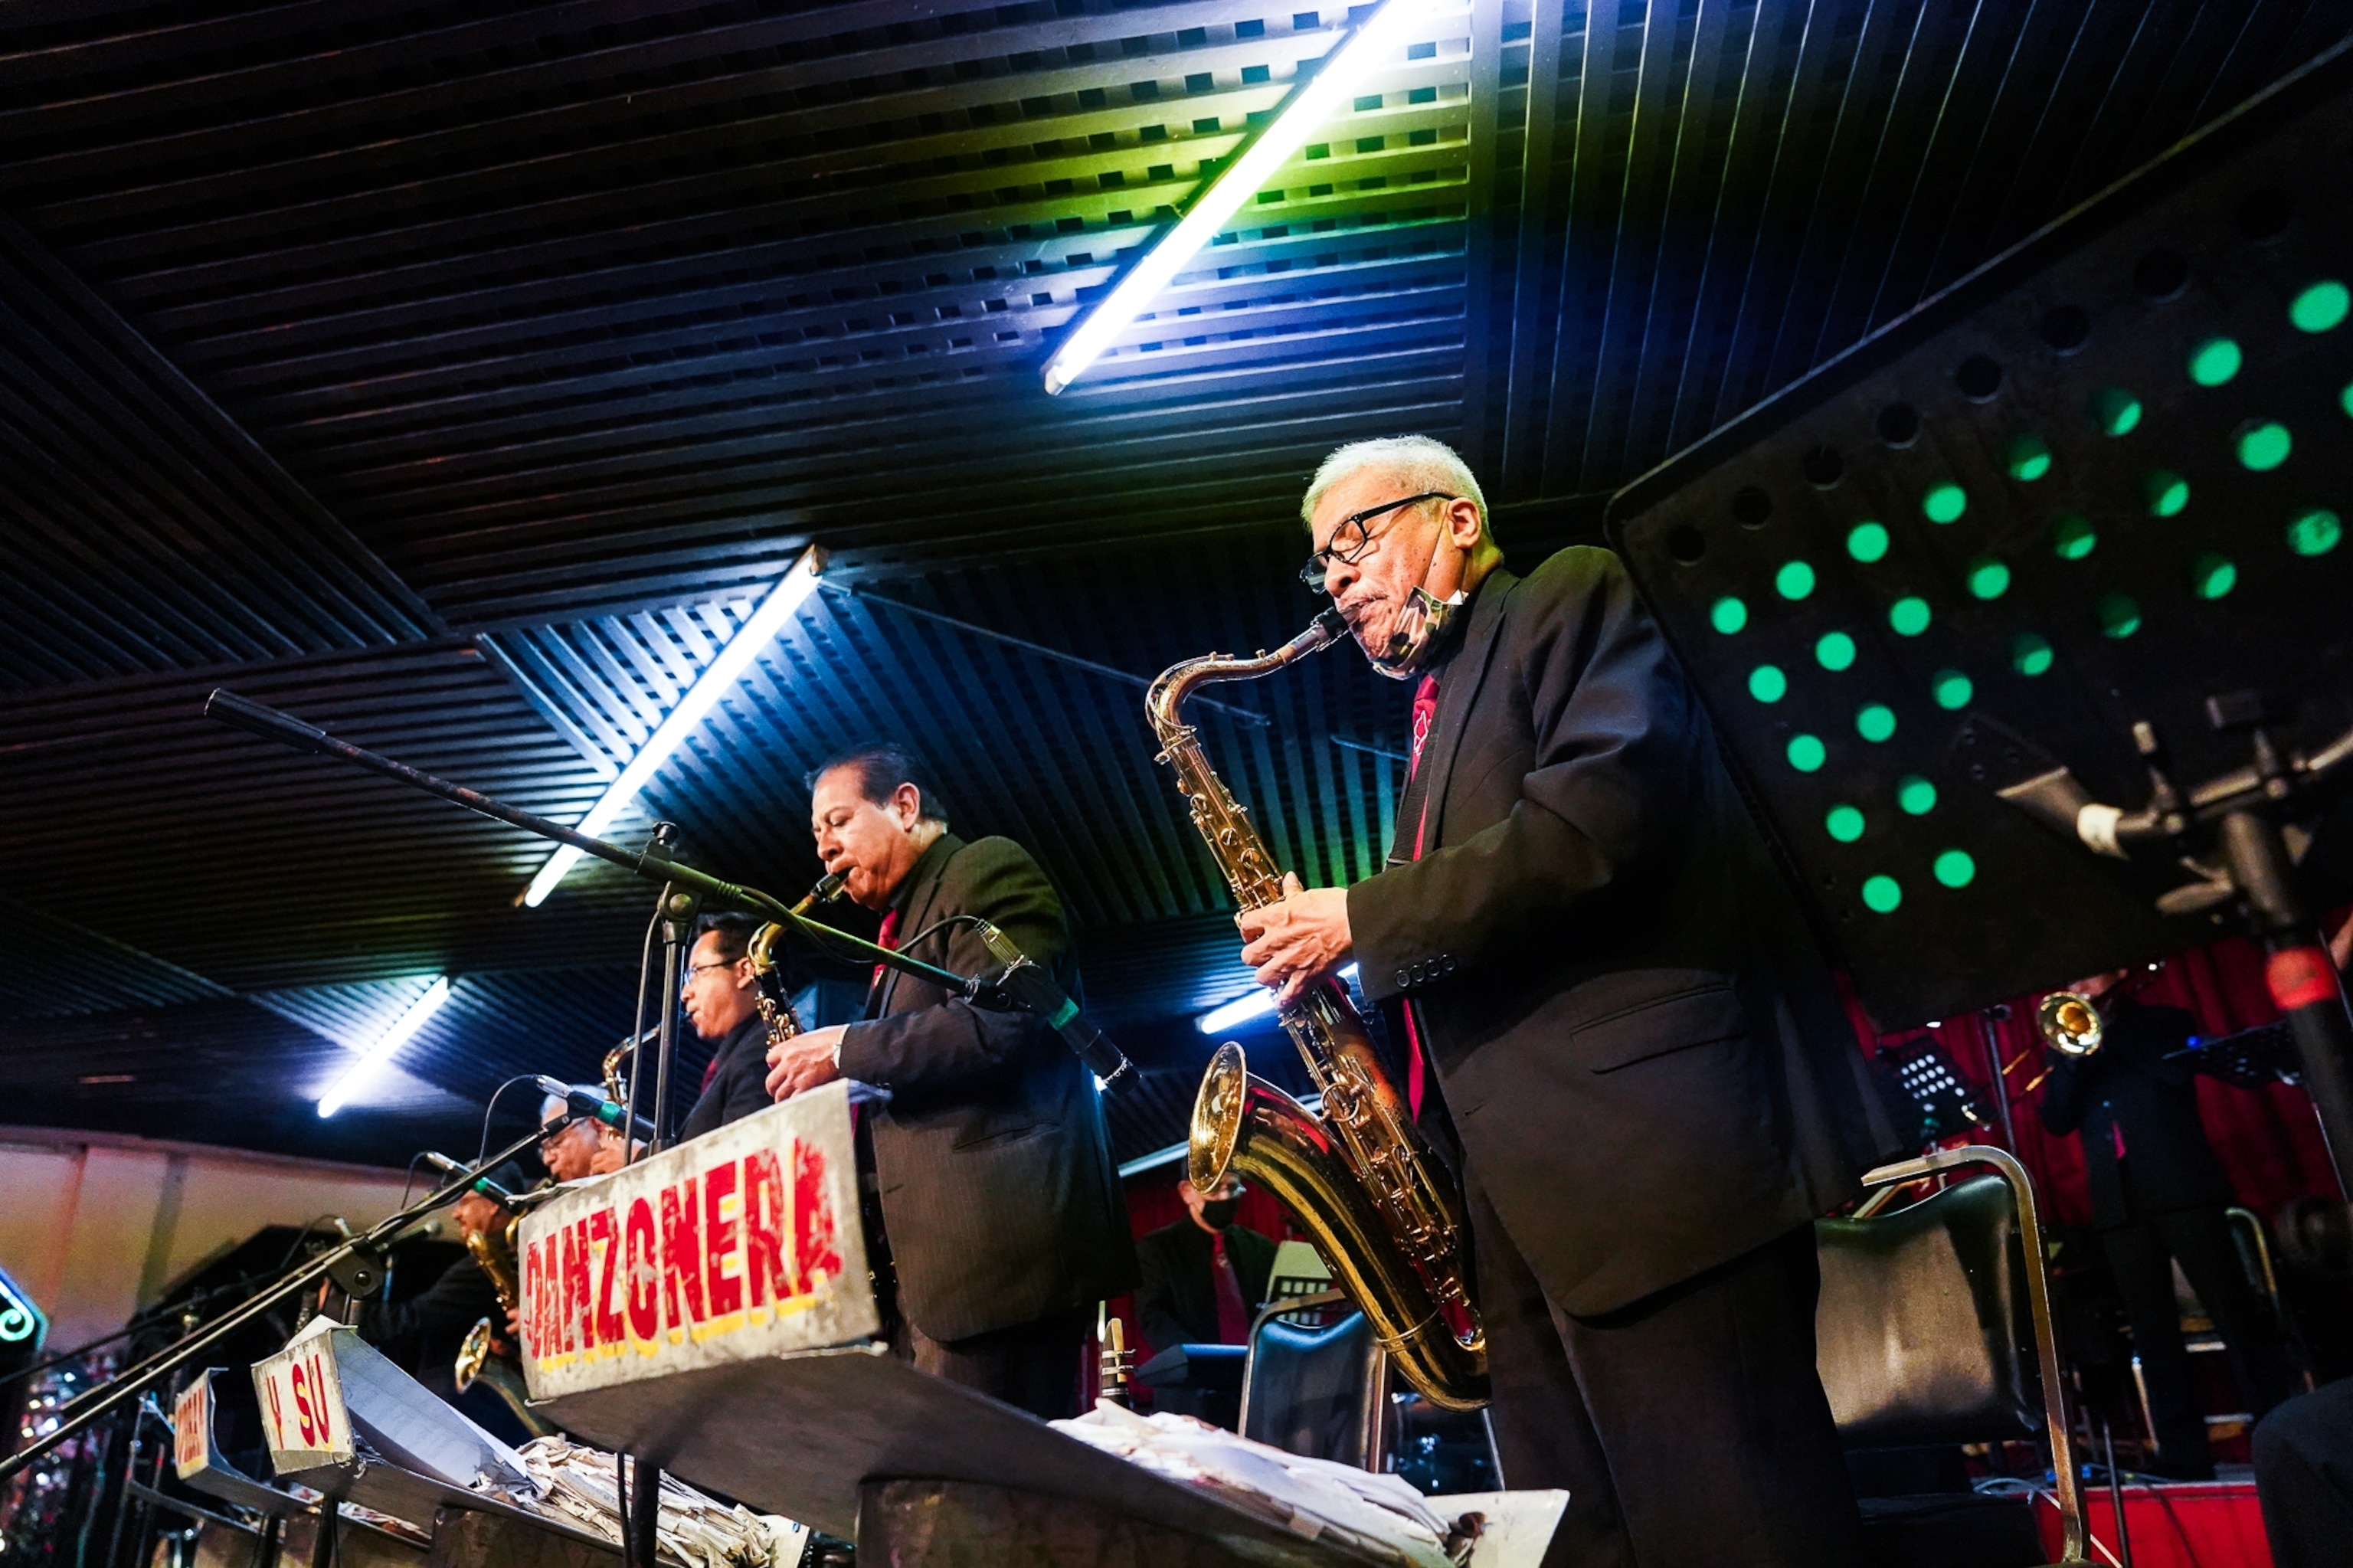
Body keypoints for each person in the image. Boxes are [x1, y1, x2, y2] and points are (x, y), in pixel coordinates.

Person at [1235, 436, 1888, 1568]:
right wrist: (1352, 975)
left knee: (1741, 1527)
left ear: (1458, 521)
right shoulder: (1435, 714)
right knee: (1582, 1542)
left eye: (1355, 539)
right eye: (1321, 564)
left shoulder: (1572, 592)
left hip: (1650, 1173)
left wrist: (1365, 917)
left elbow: (1597, 822)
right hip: (1519, 1211)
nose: (1336, 578)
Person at [755, 743, 1134, 1420]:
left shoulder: (983, 867)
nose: (824, 848)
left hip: (999, 1270)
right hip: (940, 1277)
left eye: (838, 821)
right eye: (817, 833)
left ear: (904, 805)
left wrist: (845, 1048)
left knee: (988, 1500)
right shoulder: (900, 930)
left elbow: (1004, 1024)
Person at [2038, 968, 2296, 1477]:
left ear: (2117, 978)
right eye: (2074, 981)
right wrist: (2071, 1060)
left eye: (2090, 978)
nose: (2080, 989)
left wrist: (2108, 1032)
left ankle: (2279, 1436)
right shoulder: (2068, 1043)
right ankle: (2184, 1455)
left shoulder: (2163, 1020)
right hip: (2118, 1207)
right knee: (2153, 1335)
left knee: (2236, 1318)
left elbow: (2172, 1074)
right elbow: (2057, 1119)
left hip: (2183, 1189)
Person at [345, 1162, 535, 1442]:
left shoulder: (489, 1261)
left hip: (484, 1417)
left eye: (465, 1201)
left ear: (494, 1204)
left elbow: (417, 1318)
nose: (456, 1213)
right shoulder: (498, 1257)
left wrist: (351, 1313)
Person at [676, 913, 777, 1142]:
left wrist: (639, 1157)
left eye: (696, 973)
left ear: (745, 971)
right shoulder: (743, 1052)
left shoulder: (761, 1053)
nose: (685, 993)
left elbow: (740, 1156)